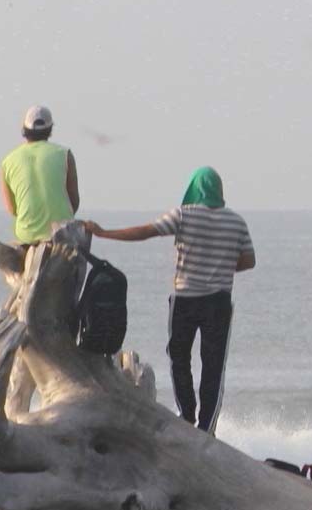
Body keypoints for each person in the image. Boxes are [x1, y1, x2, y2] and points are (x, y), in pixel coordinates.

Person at [83, 167, 255, 436]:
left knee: (178, 358)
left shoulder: (184, 214)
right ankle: (207, 427)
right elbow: (248, 261)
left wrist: (105, 233)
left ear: (194, 189)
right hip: (218, 303)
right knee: (213, 365)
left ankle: (186, 416)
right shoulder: (236, 221)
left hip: (185, 299)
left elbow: (146, 231)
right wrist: (218, 265)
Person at [0, 105, 79, 247]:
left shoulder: (7, 161)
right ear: (50, 129)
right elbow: (74, 202)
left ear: (24, 129)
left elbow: (12, 209)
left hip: (27, 234)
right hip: (62, 232)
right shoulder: (65, 154)